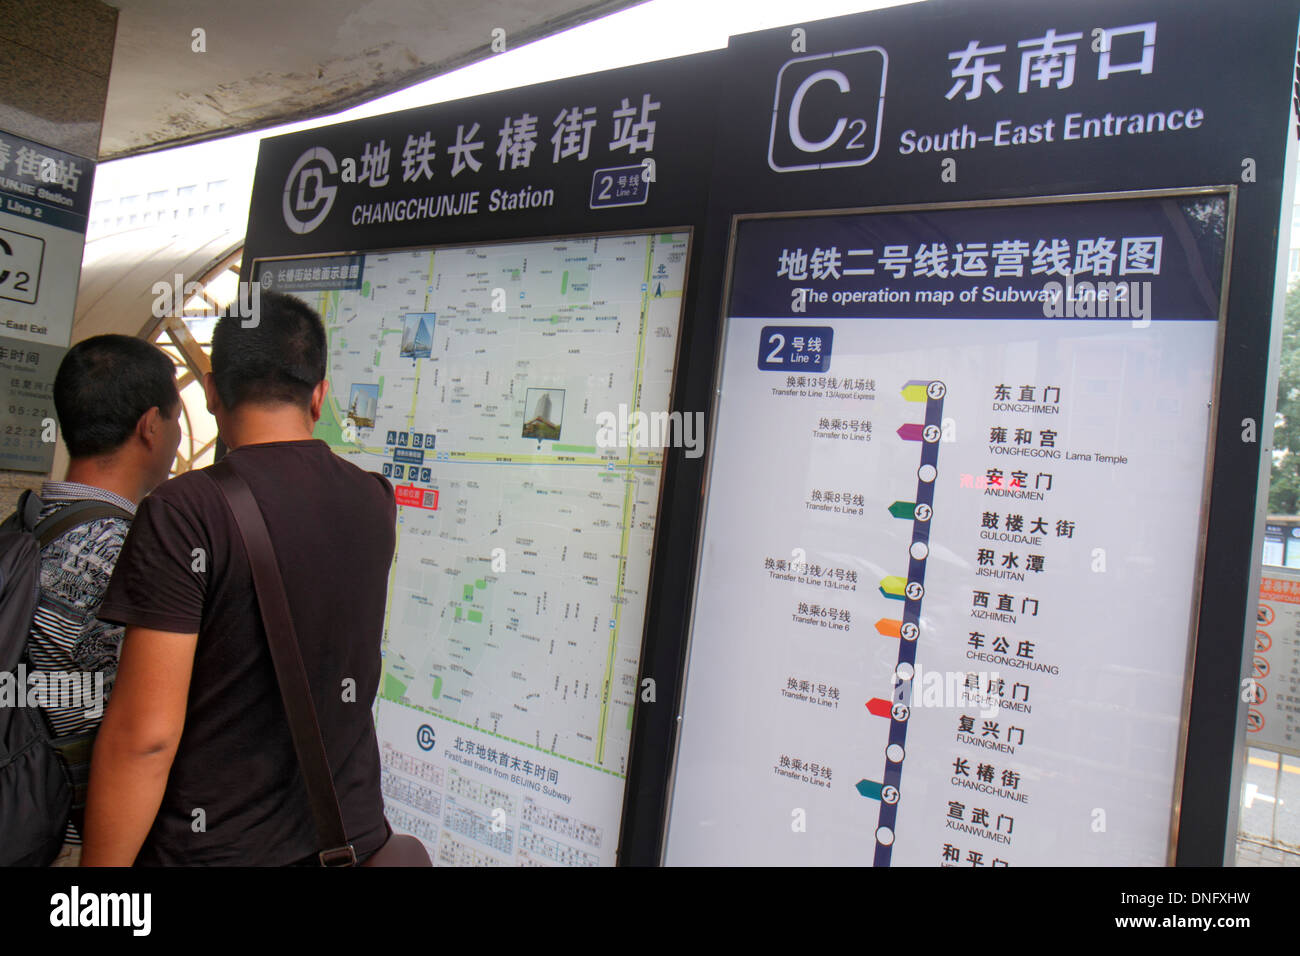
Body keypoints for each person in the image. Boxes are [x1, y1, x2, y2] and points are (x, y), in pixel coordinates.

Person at [82, 291, 395, 866]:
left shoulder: (184, 512)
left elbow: (144, 740)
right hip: (350, 841)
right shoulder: (375, 499)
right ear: (319, 395)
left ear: (210, 392)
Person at [30, 334, 182, 866]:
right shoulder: (124, 553)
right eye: (177, 419)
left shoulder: (28, 522)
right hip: (71, 837)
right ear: (151, 426)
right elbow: (145, 730)